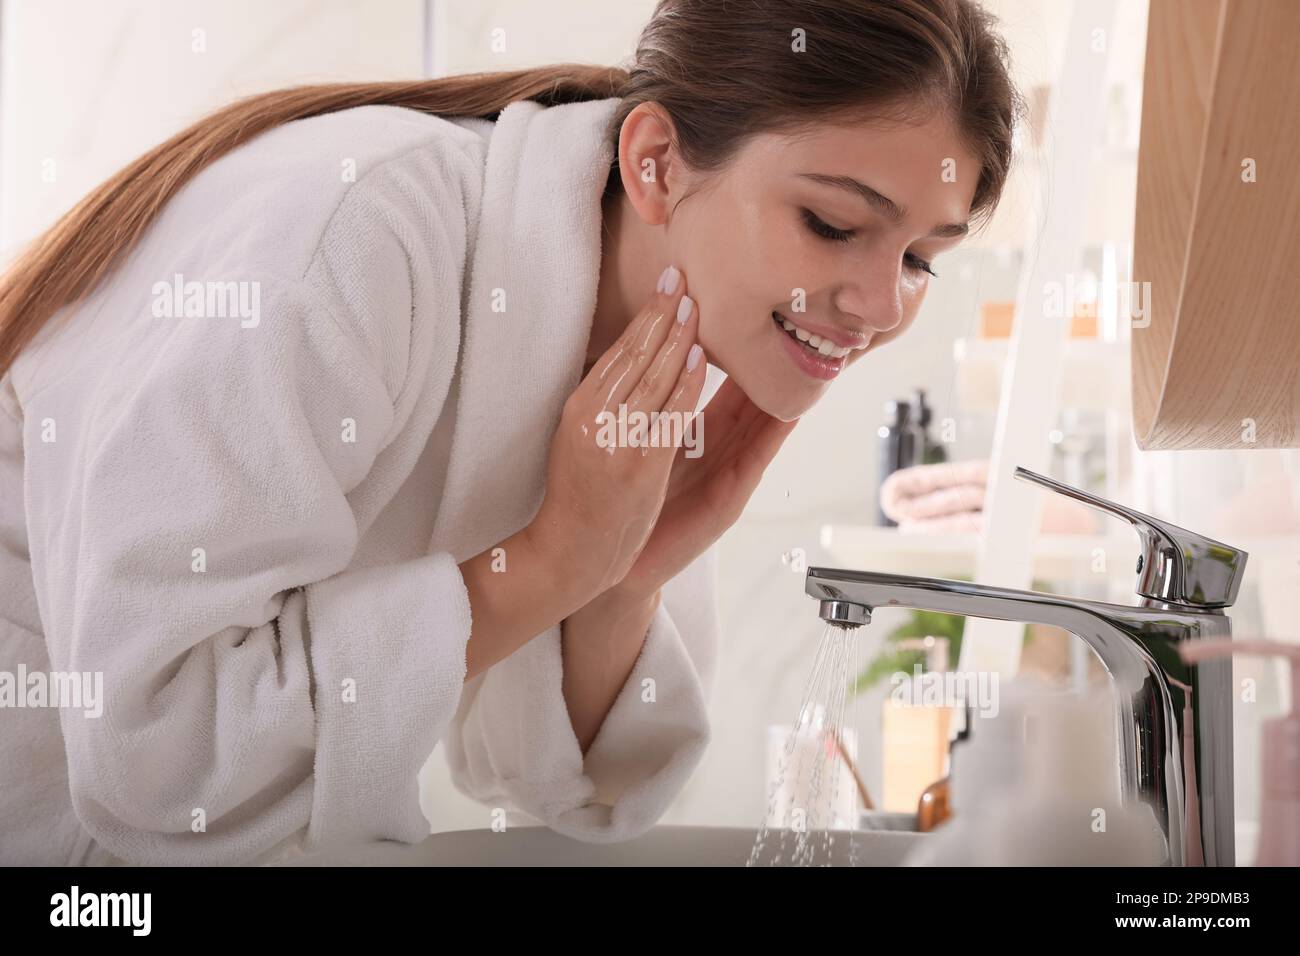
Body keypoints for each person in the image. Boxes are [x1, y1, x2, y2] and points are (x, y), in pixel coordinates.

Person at [0, 0, 1017, 864]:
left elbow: (551, 789)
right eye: (835, 225)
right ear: (656, 162)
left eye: (923, 257)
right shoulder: (357, 241)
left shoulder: (640, 338)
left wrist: (618, 578)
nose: (880, 305)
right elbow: (159, 751)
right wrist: (547, 561)